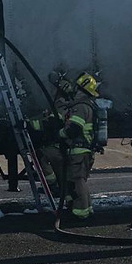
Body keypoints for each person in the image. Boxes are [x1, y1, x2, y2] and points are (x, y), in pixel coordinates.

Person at [59, 72, 100, 220]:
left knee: (78, 181)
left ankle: (81, 213)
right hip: (83, 150)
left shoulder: (81, 107)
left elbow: (74, 129)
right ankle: (86, 209)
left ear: (79, 89)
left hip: (79, 150)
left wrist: (60, 133)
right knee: (80, 180)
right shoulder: (86, 105)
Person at [28, 75, 76, 190]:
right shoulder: (64, 103)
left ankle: (52, 185)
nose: (52, 90)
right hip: (62, 144)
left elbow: (52, 123)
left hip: (61, 145)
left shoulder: (61, 104)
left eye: (55, 88)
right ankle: (61, 191)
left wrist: (28, 125)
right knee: (65, 183)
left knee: (40, 155)